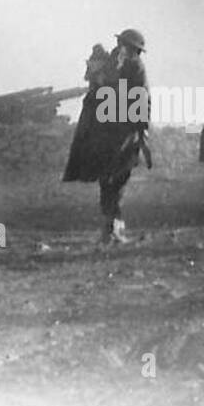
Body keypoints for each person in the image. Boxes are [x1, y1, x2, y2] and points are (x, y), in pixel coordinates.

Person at [63, 28, 151, 244]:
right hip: (124, 132)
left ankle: (109, 228)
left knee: (107, 180)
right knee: (118, 178)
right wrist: (142, 128)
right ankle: (114, 229)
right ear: (135, 49)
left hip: (101, 132)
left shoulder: (104, 65)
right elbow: (142, 97)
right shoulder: (135, 66)